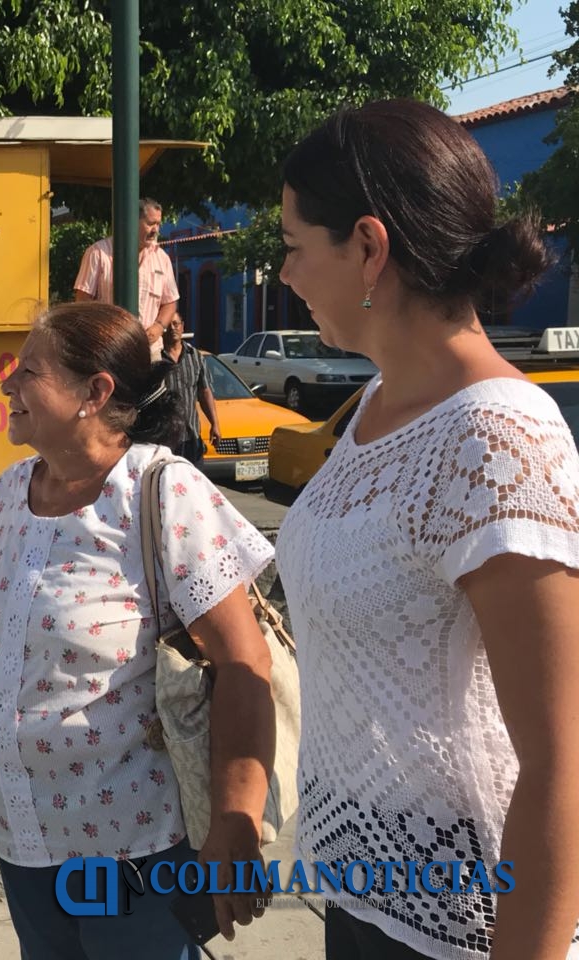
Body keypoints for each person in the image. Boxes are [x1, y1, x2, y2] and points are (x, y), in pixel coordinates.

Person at [275, 99, 579, 960]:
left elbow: (563, 762)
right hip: (361, 893)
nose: (286, 273)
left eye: (296, 245)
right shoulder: (376, 405)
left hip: (462, 924)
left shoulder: (496, 437)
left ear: (369, 248)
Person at [0, 301, 279, 959]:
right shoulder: (8, 494)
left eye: (28, 371)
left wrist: (238, 825)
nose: (8, 384)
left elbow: (243, 662)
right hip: (20, 836)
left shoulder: (160, 492)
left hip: (133, 848)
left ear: (95, 393)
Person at [73, 198, 179, 358]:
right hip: (109, 351)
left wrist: (158, 327)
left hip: (149, 353)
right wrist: (104, 331)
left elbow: (170, 302)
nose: (156, 230)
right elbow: (82, 302)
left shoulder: (162, 258)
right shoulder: (98, 253)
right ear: (132, 221)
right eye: (151, 223)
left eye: (158, 224)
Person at [161, 312, 221, 463]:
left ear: (182, 326)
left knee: (194, 483)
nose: (173, 328)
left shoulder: (195, 357)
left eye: (176, 324)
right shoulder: (155, 358)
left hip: (191, 437)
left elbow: (205, 392)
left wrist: (215, 424)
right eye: (168, 325)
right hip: (163, 438)